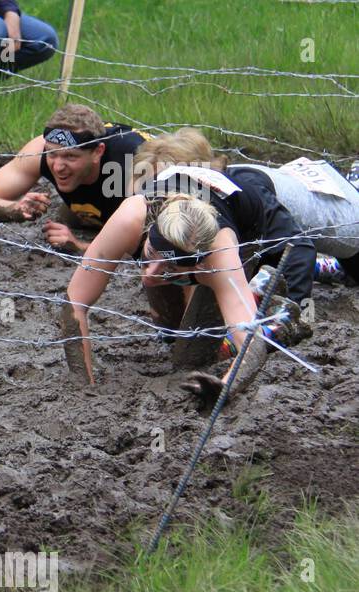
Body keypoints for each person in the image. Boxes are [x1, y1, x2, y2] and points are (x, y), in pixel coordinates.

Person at [58, 130, 329, 395]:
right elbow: (75, 301)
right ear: (148, 231)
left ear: (199, 265)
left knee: (194, 355)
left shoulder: (221, 257)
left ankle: (268, 303)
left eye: (169, 269)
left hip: (245, 222)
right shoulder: (132, 215)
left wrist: (226, 387)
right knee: (172, 333)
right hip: (178, 224)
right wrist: (84, 388)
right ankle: (243, 289)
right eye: (149, 256)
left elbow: (248, 340)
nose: (149, 276)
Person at [0, 104, 151, 252]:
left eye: (71, 156)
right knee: (71, 217)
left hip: (148, 205)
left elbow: (161, 248)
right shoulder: (40, 150)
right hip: (97, 208)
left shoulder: (136, 162)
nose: (58, 166)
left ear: (98, 152)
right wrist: (13, 209)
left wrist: (81, 248)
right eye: (52, 154)